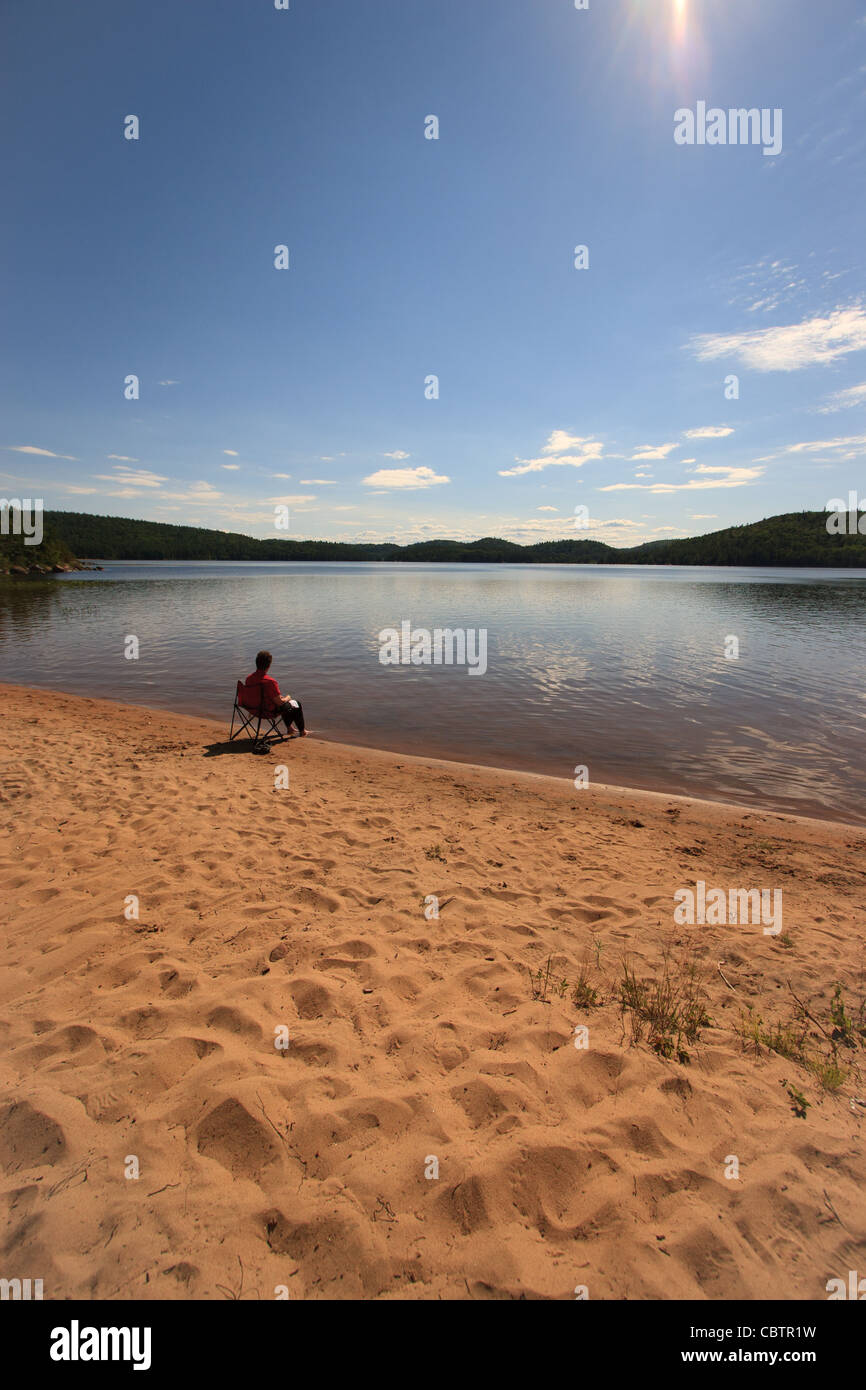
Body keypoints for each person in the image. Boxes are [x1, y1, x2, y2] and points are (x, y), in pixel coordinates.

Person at [245, 650, 307, 737]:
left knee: (285, 704)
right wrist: (287, 698)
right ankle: (302, 731)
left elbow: (256, 695)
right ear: (269, 665)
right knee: (295, 704)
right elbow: (280, 703)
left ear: (256, 663)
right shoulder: (270, 682)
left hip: (253, 709)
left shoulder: (249, 678)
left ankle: (290, 728)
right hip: (267, 712)